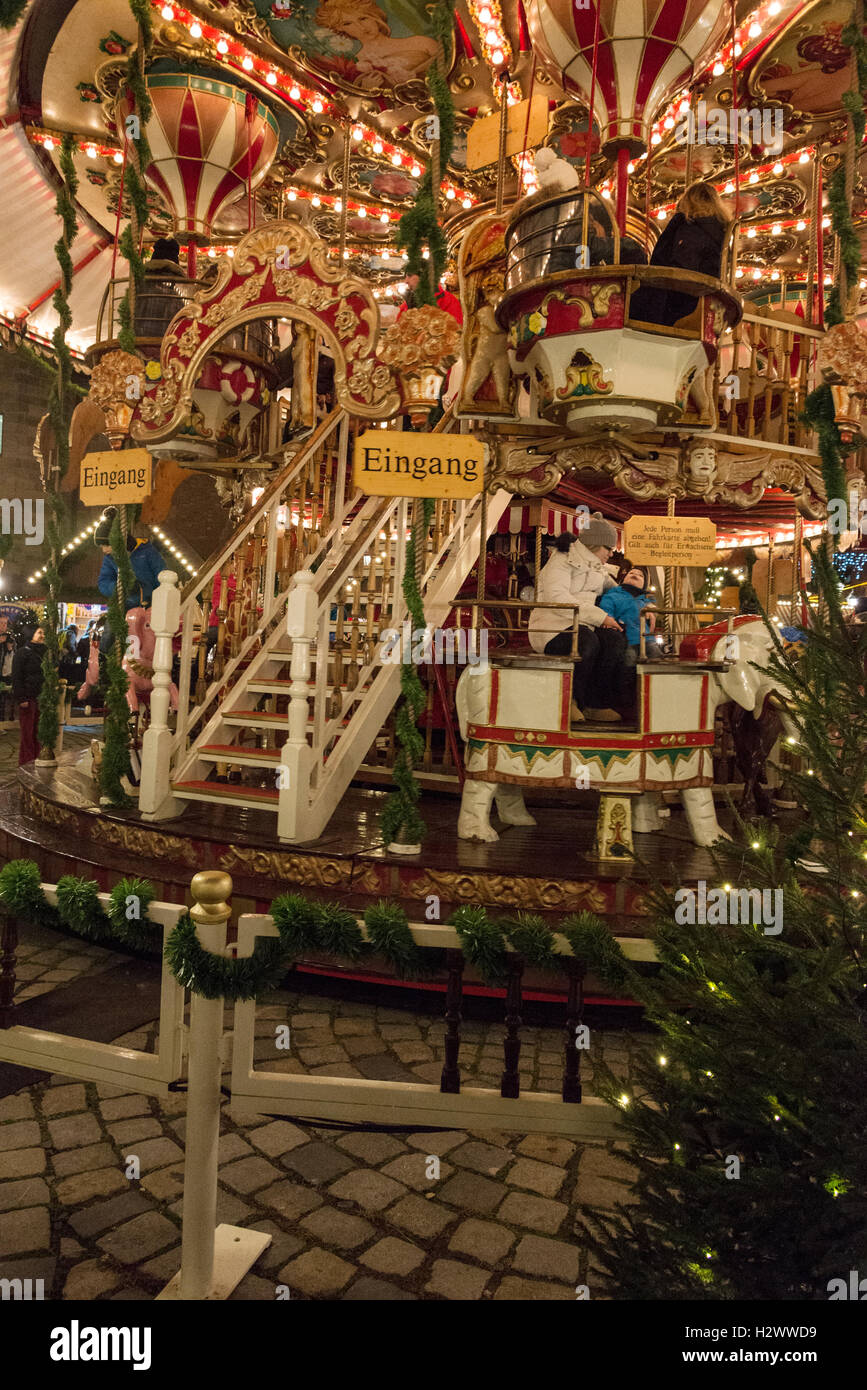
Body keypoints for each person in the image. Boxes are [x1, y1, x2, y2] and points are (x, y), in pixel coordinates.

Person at [528, 514, 627, 723]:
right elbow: (558, 598)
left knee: (615, 641)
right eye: (607, 548)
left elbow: (617, 592)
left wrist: (640, 606)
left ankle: (595, 702)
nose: (611, 553)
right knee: (585, 642)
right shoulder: (562, 561)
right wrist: (601, 618)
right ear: (595, 544)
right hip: (551, 627)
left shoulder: (597, 568)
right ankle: (570, 701)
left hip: (583, 623)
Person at [629, 180, 732, 327]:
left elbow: (682, 266)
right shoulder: (720, 232)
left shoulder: (690, 227)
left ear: (689, 202)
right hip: (708, 301)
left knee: (628, 302)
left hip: (679, 302)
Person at [95, 511, 166, 652]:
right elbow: (103, 581)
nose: (104, 550)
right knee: (109, 635)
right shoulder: (110, 558)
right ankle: (104, 663)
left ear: (117, 541)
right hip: (123, 604)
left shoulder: (147, 552)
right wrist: (119, 587)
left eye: (106, 545)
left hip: (147, 605)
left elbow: (162, 576)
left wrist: (158, 600)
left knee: (143, 639)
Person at [598, 566, 656, 664]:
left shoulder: (644, 602)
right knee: (629, 660)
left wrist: (651, 610)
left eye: (640, 575)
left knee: (656, 659)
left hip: (646, 640)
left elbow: (652, 607)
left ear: (644, 585)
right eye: (631, 573)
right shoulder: (612, 596)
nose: (635, 575)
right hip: (626, 639)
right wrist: (608, 618)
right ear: (623, 579)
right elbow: (606, 610)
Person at [12, 625, 45, 765]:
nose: (43, 635)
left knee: (38, 731)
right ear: (31, 634)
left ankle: (38, 758)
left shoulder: (45, 651)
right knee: (27, 732)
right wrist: (22, 698)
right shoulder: (22, 653)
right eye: (39, 632)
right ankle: (26, 762)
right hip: (28, 698)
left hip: (41, 697)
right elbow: (17, 677)